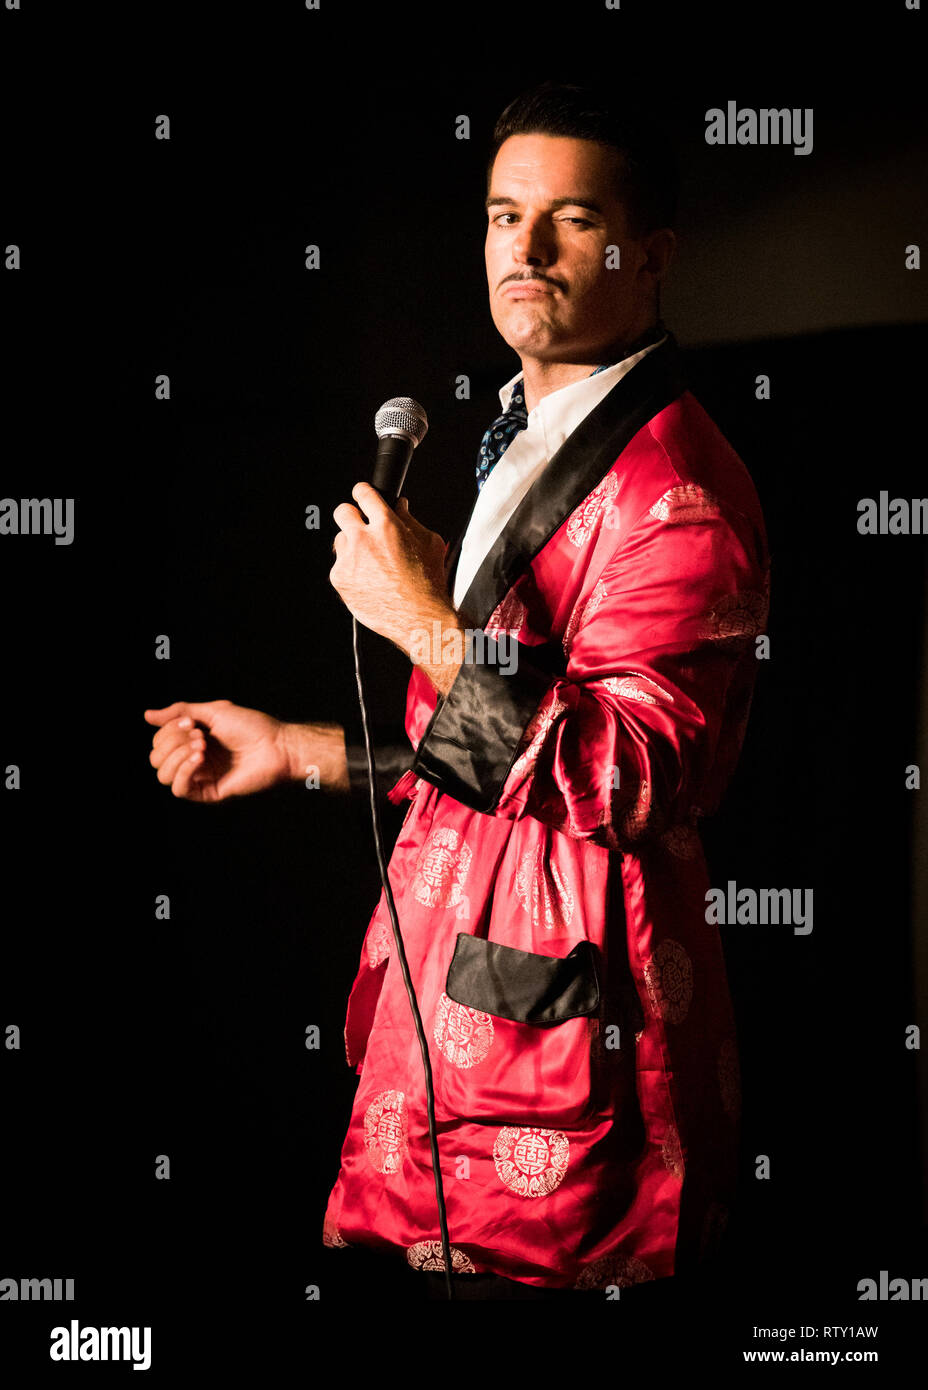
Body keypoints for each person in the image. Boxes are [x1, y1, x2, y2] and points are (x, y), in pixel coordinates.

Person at [144, 80, 770, 1300]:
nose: (523, 250)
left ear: (649, 255)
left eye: (568, 216)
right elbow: (487, 770)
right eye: (500, 215)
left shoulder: (676, 487)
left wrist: (428, 624)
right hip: (440, 1046)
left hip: (566, 1069)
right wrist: (297, 748)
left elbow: (624, 775)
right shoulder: (524, 432)